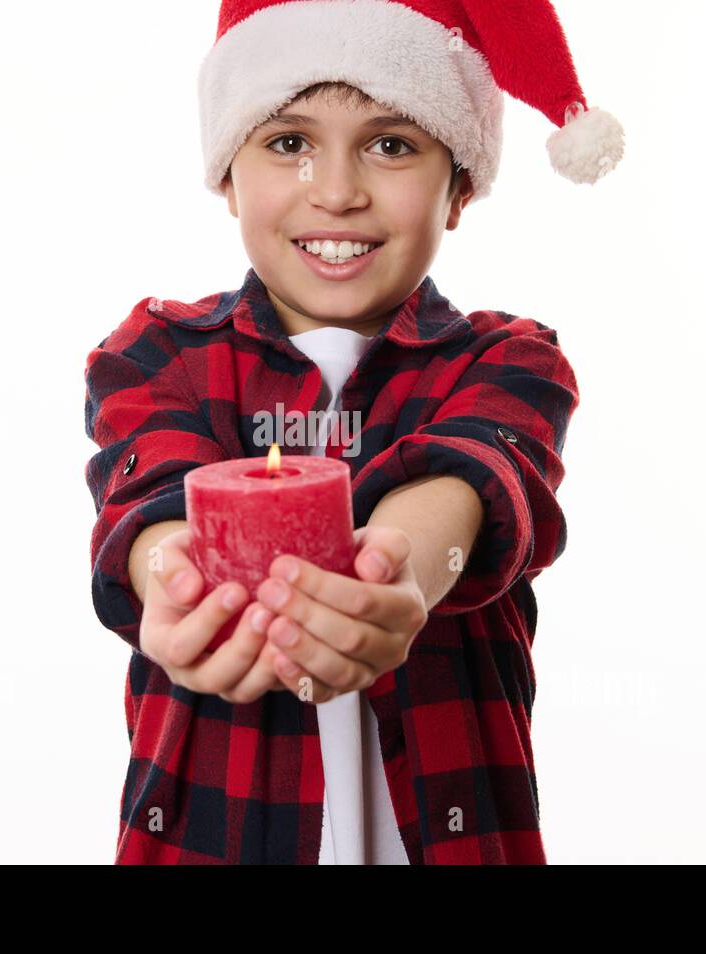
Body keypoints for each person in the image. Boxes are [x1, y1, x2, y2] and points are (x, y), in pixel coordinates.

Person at [84, 0, 623, 865]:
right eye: (288, 141)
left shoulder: (509, 360)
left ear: (461, 189)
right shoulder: (158, 355)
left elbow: (471, 479)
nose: (336, 191)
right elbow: (147, 507)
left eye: (393, 143)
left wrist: (399, 573)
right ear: (228, 174)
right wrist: (173, 582)